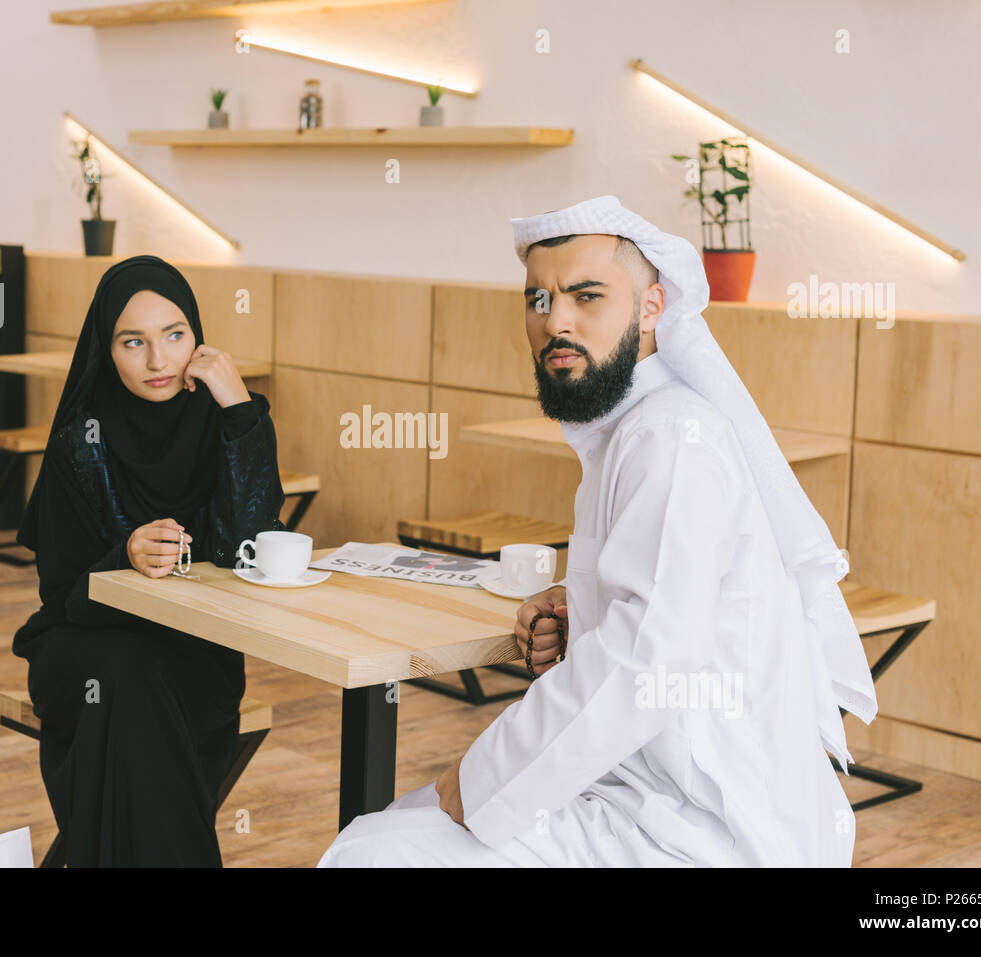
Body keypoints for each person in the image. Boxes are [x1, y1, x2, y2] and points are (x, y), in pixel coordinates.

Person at [318, 196, 877, 867]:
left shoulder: (672, 439)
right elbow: (662, 603)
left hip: (706, 831)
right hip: (641, 792)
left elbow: (647, 653)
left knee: (375, 853)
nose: (555, 321)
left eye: (586, 296)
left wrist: (485, 777)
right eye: (539, 298)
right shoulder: (629, 432)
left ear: (651, 308)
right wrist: (578, 602)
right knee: (392, 828)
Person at [12, 255, 285, 866]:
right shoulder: (80, 440)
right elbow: (62, 595)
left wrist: (240, 409)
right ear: (106, 350)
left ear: (198, 338)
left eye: (175, 335)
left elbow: (249, 548)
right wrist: (123, 556)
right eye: (133, 342)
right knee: (127, 676)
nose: (158, 360)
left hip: (195, 650)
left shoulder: (228, 420)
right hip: (85, 647)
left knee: (139, 695)